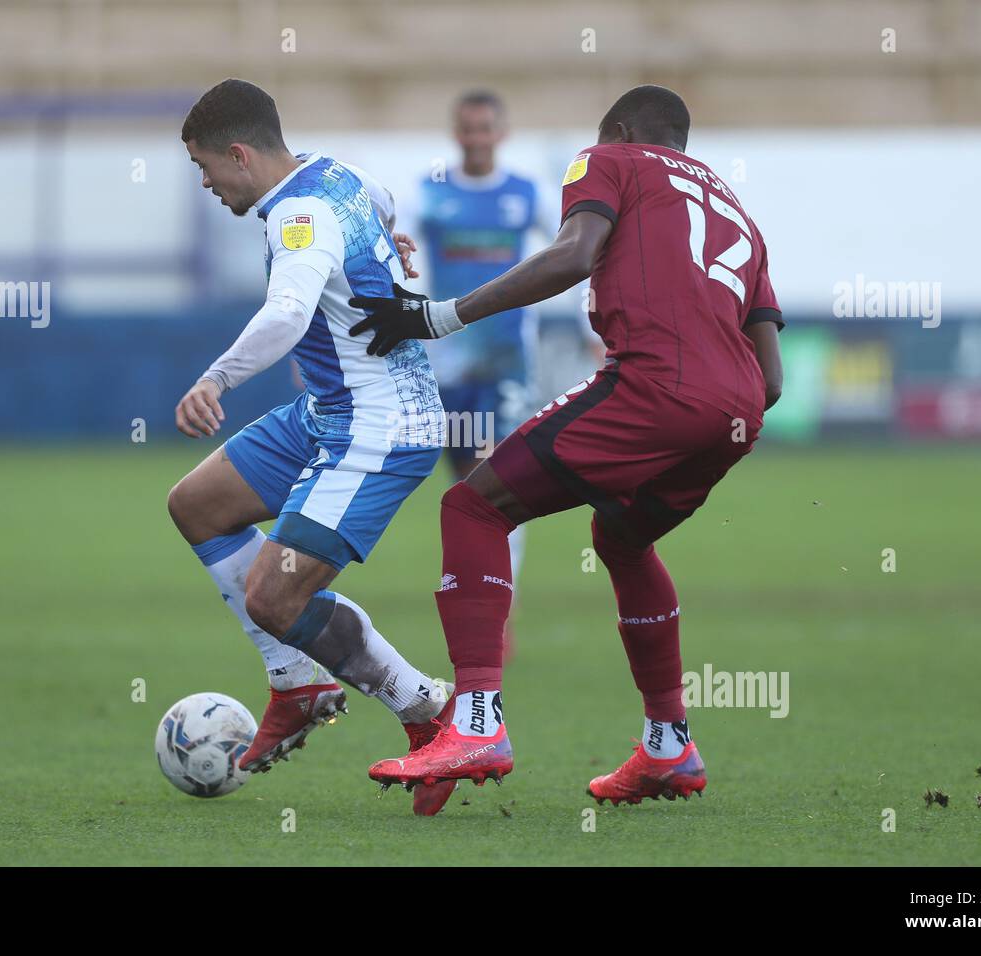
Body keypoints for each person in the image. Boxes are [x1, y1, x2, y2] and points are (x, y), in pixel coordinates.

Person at [350, 85, 785, 806]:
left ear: (619, 130)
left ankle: (478, 721)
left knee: (473, 508)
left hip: (654, 388)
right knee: (622, 540)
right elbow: (771, 378)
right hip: (735, 410)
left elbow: (574, 254)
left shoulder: (610, 157)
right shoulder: (736, 209)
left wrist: (440, 317)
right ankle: (669, 745)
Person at [166, 78, 456, 815]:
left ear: (238, 154)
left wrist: (216, 378)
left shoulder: (296, 214)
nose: (205, 184)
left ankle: (427, 708)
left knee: (273, 593)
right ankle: (296, 680)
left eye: (205, 167)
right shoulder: (339, 174)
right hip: (329, 411)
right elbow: (382, 209)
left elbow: (288, 312)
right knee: (197, 505)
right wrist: (387, 246)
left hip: (379, 427)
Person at [415, 92, 558, 660]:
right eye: (467, 129)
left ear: (501, 132)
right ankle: (477, 598)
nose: (476, 138)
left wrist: (596, 323)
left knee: (495, 488)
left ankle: (500, 613)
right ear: (456, 131)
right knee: (463, 493)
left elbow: (583, 249)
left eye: (485, 129)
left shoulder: (527, 196)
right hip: (446, 369)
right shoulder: (427, 194)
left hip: (506, 367)